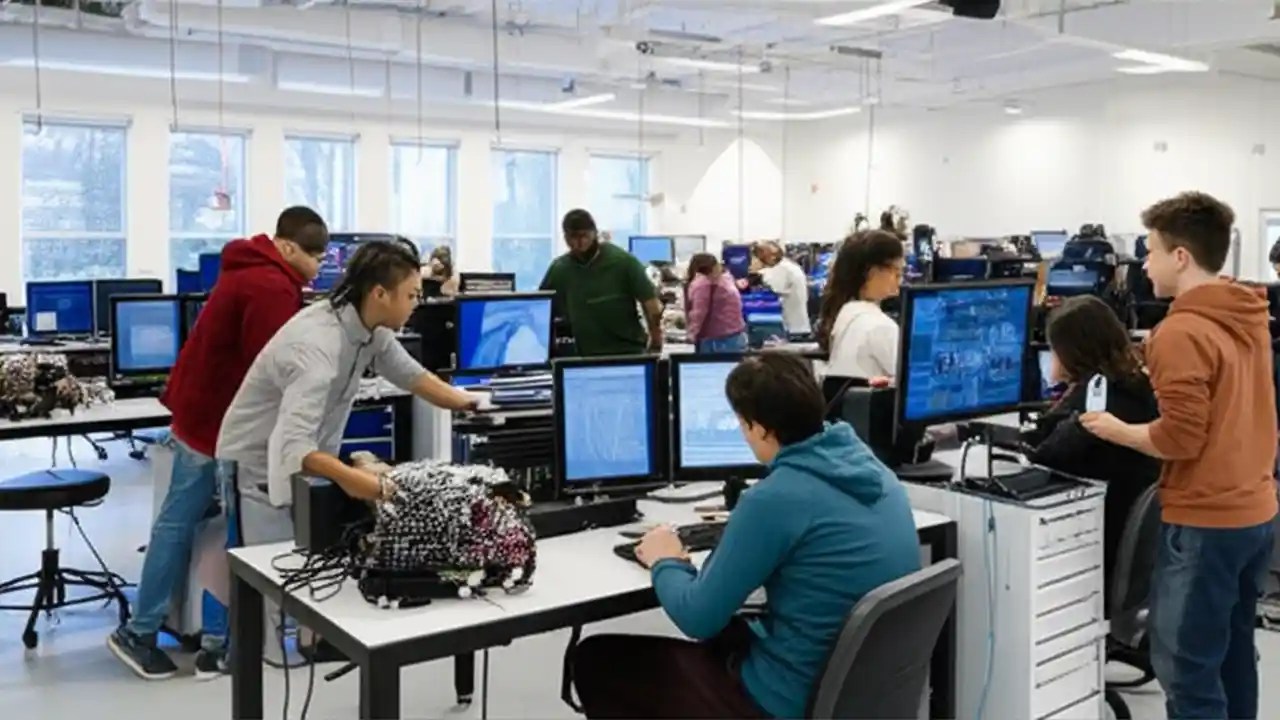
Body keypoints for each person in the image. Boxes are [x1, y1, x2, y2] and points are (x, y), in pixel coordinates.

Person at [571, 353, 920, 719]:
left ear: (760, 429)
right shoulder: (872, 471)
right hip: (860, 697)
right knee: (731, 638)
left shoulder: (774, 500)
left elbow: (697, 617)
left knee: (598, 660)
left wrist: (666, 559)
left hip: (788, 702)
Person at [107, 206, 330, 681]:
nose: (318, 267)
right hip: (221, 424)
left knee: (206, 526)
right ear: (288, 248)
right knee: (217, 528)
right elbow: (271, 369)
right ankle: (147, 634)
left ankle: (212, 640)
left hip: (206, 415)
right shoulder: (270, 287)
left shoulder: (251, 268)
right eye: (314, 256)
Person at [1080, 191, 1277, 720]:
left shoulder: (1180, 331)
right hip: (1256, 511)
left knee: (1186, 670)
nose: (1144, 264)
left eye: (1151, 251)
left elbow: (1181, 440)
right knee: (1234, 655)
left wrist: (1116, 429)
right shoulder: (1249, 313)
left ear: (1181, 257)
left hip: (1207, 520)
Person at [217, 240, 479, 542]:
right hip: (259, 469)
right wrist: (362, 483)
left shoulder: (370, 328)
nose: (416, 303)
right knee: (270, 571)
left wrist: (473, 404)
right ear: (379, 294)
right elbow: (294, 446)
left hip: (306, 463)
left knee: (309, 559)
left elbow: (412, 376)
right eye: (411, 295)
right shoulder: (316, 348)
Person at [1020, 295, 1160, 608]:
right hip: (1134, 558)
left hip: (1099, 553)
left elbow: (1041, 453)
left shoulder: (1094, 404)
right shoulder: (1138, 384)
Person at [539, 209, 663, 356]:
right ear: (565, 238)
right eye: (573, 236)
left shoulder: (623, 262)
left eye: (584, 235)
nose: (579, 242)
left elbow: (651, 304)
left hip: (628, 352)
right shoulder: (560, 269)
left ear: (594, 233)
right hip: (586, 355)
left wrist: (656, 338)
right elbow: (540, 308)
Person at [819, 230, 905, 380]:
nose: (900, 279)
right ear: (871, 272)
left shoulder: (846, 314)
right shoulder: (880, 327)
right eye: (897, 271)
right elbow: (915, 382)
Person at [684, 253, 747, 354]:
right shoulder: (726, 278)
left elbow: (699, 313)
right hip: (736, 334)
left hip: (718, 339)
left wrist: (690, 336)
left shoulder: (703, 284)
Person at [754, 241, 812, 336]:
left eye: (761, 257)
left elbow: (771, 284)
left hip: (795, 329)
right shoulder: (786, 266)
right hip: (797, 325)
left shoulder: (784, 269)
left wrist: (756, 270)